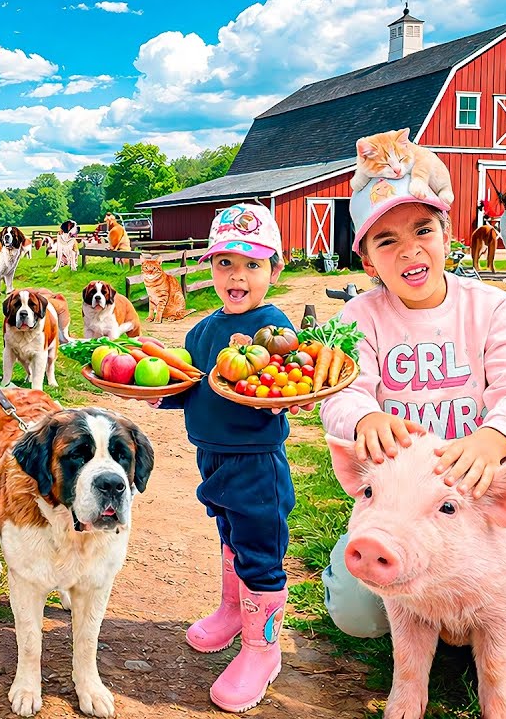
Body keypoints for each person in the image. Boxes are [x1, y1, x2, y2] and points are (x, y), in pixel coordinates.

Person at [320, 170, 506, 703]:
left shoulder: (487, 306)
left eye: (422, 231)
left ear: (447, 234)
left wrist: (495, 439)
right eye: (386, 240)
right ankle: (436, 636)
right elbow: (342, 392)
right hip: (398, 506)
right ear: (367, 258)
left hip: (484, 498)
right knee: (356, 609)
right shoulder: (359, 316)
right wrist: (364, 418)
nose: (409, 251)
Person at [151, 204, 308, 713]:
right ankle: (232, 609)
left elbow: (286, 381)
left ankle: (263, 649)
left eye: (252, 265)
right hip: (212, 455)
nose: (237, 276)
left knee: (259, 548)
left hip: (256, 461)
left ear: (274, 269)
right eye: (225, 264)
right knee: (229, 536)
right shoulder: (201, 332)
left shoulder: (274, 327)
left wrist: (271, 372)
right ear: (210, 267)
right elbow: (194, 385)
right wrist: (161, 392)